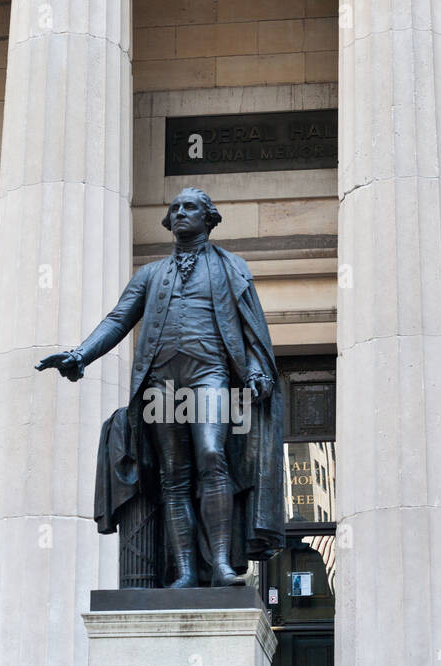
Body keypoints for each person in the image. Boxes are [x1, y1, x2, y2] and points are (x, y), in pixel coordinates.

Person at [39, 187, 284, 586]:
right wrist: (81, 354)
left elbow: (252, 329)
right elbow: (118, 319)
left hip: (210, 375)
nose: (181, 212)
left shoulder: (232, 267)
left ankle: (221, 564)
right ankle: (185, 570)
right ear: (169, 221)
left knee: (211, 454)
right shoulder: (150, 275)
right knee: (175, 476)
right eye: (175, 208)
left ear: (209, 218)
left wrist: (256, 370)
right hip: (161, 382)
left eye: (190, 207)